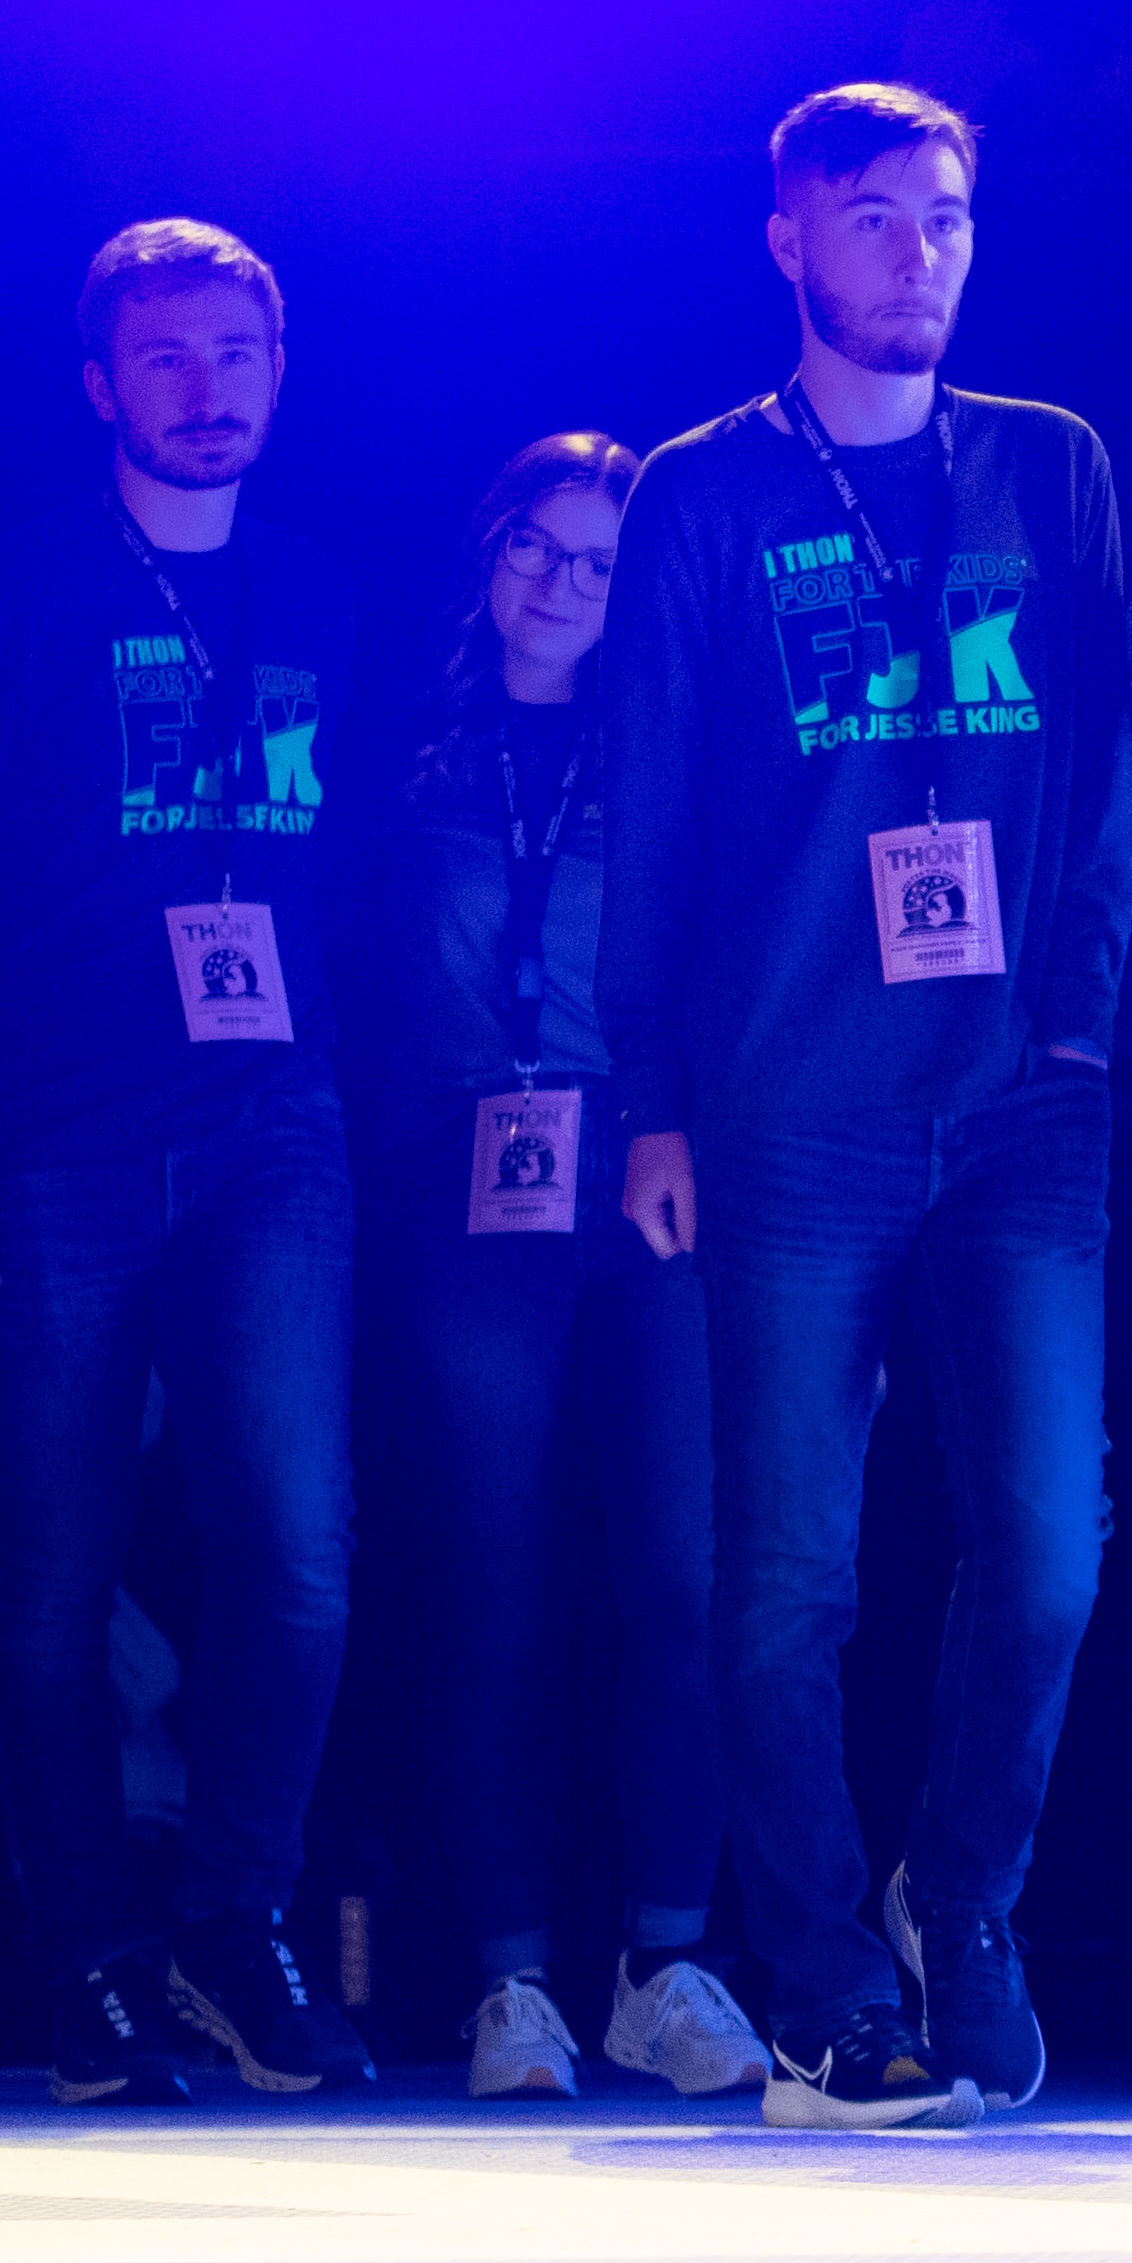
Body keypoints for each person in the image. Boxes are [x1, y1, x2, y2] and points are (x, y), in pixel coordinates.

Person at [602, 85, 1132, 2131]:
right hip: (782, 1099)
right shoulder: (700, 496)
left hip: (1021, 1101)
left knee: (1049, 1557)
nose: (920, 252)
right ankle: (829, 1989)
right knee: (786, 1581)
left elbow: (1095, 777)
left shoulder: (1051, 467)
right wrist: (648, 1097)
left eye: (948, 217)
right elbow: (648, 814)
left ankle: (962, 1904)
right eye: (875, 219)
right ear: (788, 243)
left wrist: (1079, 1025)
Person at [0, 218, 374, 2103]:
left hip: (268, 1134)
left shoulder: (313, 589)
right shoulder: (5, 594)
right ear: (100, 383)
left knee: (296, 1557)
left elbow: (356, 876)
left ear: (279, 367)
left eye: (238, 351)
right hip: (45, 1145)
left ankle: (234, 1920)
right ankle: (92, 1963)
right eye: (168, 356)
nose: (208, 387)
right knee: (50, 1580)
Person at [363, 433, 771, 2102]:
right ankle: (508, 1981)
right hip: (467, 1180)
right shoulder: (404, 740)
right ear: (488, 546)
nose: (558, 584)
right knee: (495, 1584)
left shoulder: (667, 740)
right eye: (534, 545)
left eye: (598, 564)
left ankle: (665, 1962)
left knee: (685, 1579)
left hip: (647, 1167)